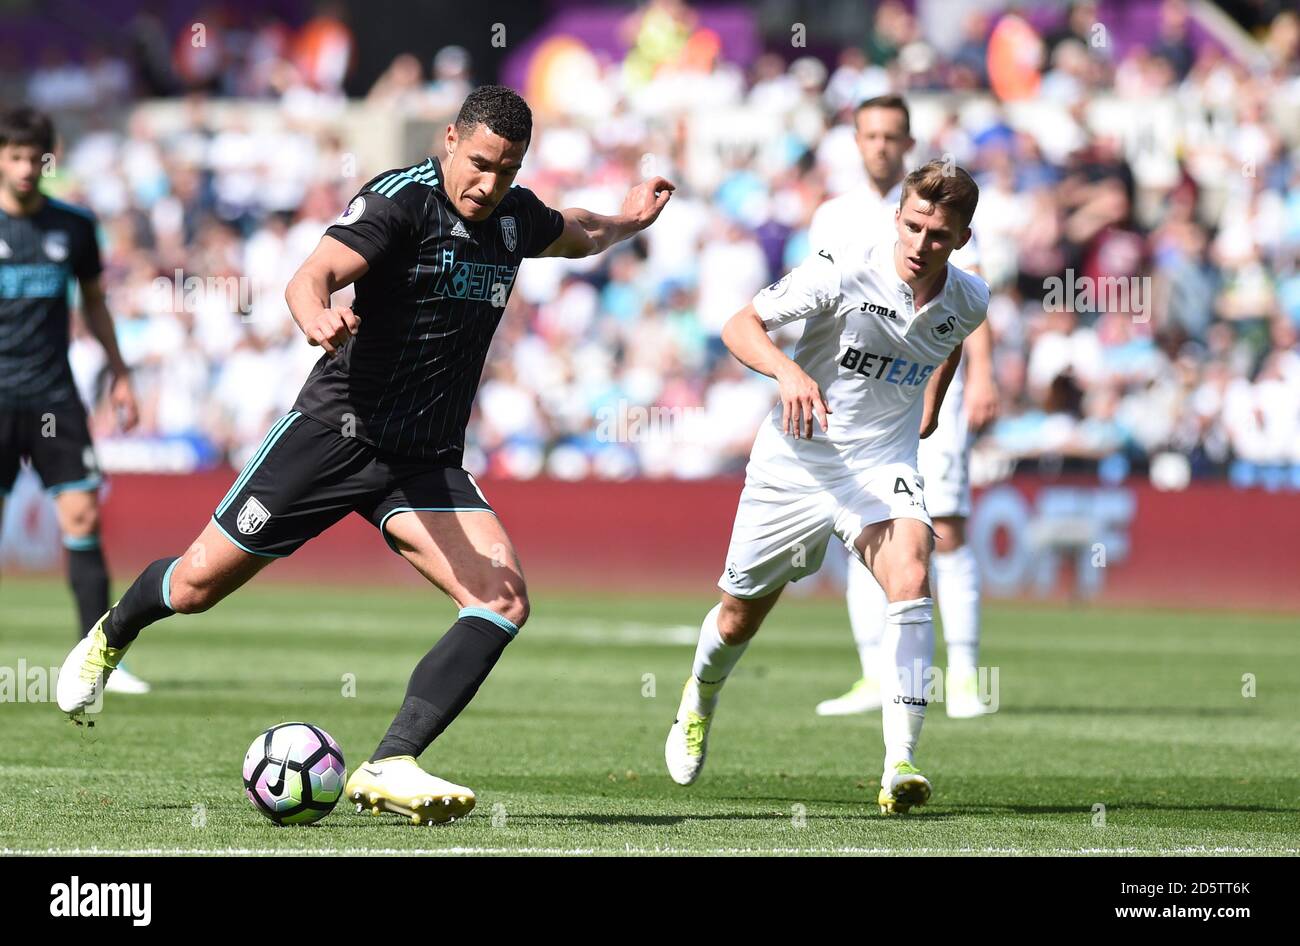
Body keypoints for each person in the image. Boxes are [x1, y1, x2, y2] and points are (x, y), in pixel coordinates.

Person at [57, 85, 674, 825]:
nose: (490, 184)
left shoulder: (512, 217)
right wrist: (318, 316)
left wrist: (632, 216)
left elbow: (576, 229)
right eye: (479, 163)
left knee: (502, 600)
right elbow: (309, 276)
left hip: (423, 457)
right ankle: (110, 635)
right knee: (194, 587)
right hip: (333, 434)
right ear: (449, 139)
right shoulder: (399, 202)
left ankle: (391, 760)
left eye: (508, 171)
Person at [665, 160, 987, 814]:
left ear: (962, 238)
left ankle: (901, 762)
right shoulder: (843, 268)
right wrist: (787, 373)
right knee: (738, 615)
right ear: (897, 216)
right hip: (796, 462)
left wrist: (932, 401)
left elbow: (950, 340)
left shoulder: (970, 298)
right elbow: (739, 326)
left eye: (940, 235)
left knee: (911, 575)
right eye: (915, 226)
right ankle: (698, 699)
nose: (923, 244)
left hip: (880, 466)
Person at [809, 95, 998, 719]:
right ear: (856, 141)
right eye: (871, 135)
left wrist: (983, 379)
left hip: (923, 385)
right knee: (866, 532)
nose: (882, 146)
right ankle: (873, 673)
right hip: (857, 395)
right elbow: (812, 302)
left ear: (907, 141)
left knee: (947, 527)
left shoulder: (939, 205)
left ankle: (966, 675)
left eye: (893, 136)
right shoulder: (834, 216)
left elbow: (968, 305)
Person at [0, 107, 149, 695]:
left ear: (47, 159)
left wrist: (120, 373)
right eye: (11, 157)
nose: (23, 169)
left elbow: (94, 304)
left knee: (83, 517)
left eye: (32, 158)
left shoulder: (75, 227)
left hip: (53, 396)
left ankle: (98, 662)